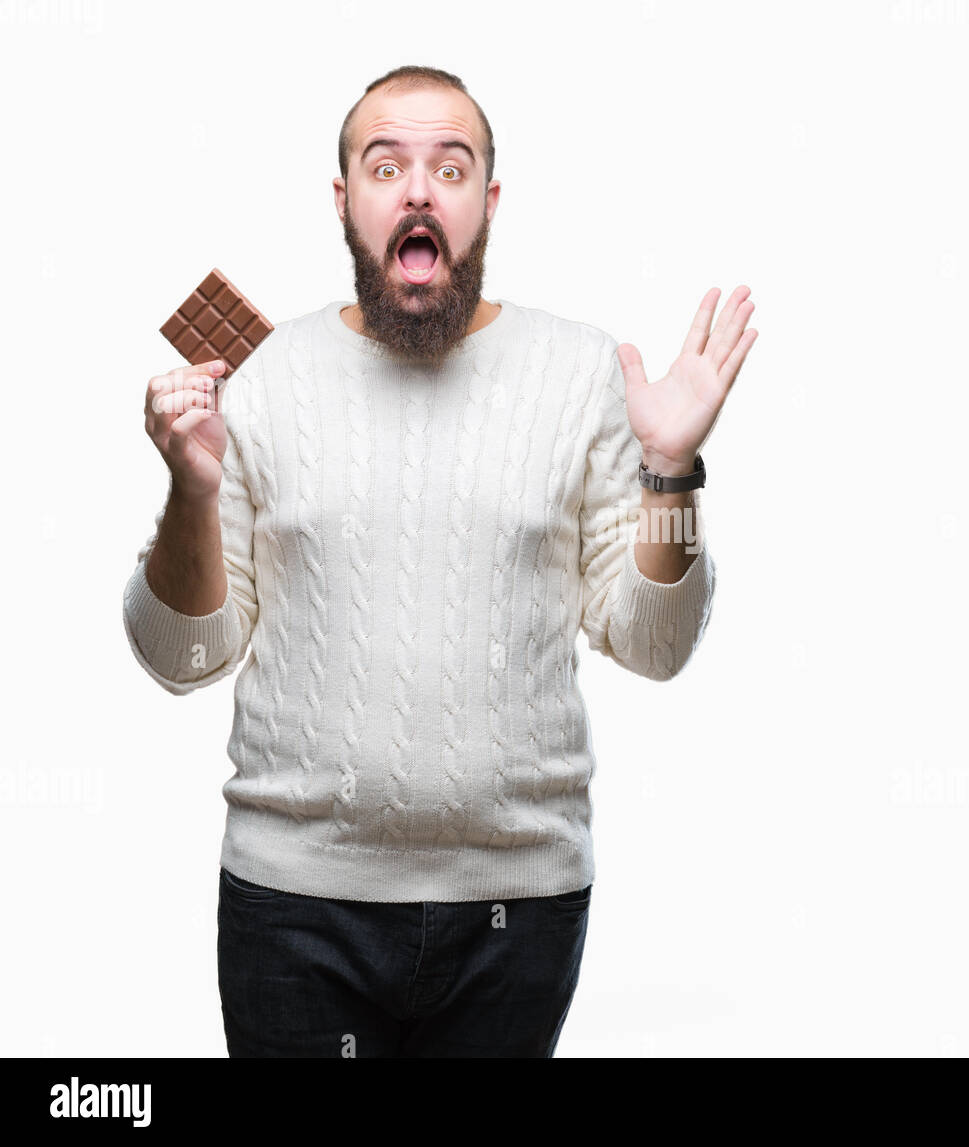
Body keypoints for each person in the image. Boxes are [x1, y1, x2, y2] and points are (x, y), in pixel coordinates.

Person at [123, 64, 757, 1058]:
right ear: (345, 202)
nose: (418, 190)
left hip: (520, 908)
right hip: (295, 903)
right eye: (386, 166)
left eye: (450, 168)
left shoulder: (579, 370)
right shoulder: (260, 379)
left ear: (488, 202)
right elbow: (180, 657)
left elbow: (655, 642)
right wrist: (189, 494)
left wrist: (670, 472)